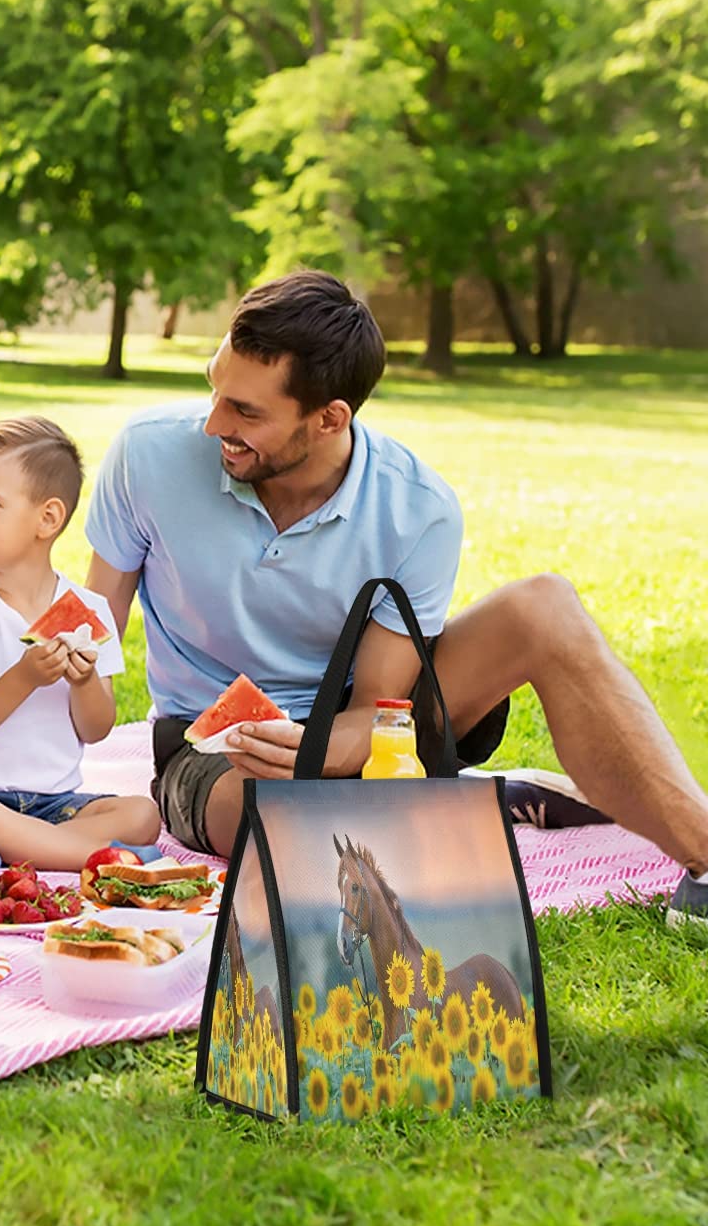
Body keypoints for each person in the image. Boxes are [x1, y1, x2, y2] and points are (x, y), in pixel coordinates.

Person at [84, 270, 708, 941]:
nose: (213, 424)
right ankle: (470, 801)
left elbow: (378, 713)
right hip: (210, 745)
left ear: (330, 418)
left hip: (366, 731)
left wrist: (319, 754)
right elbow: (93, 638)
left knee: (545, 606)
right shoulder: (147, 456)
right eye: (216, 389)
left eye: (247, 412)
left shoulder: (417, 508)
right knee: (291, 837)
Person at [0, 418, 161, 871]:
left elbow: (96, 728)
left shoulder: (88, 609)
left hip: (53, 802)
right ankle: (104, 859)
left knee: (142, 815)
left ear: (47, 519)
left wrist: (85, 680)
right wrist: (25, 676)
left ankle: (2, 853)